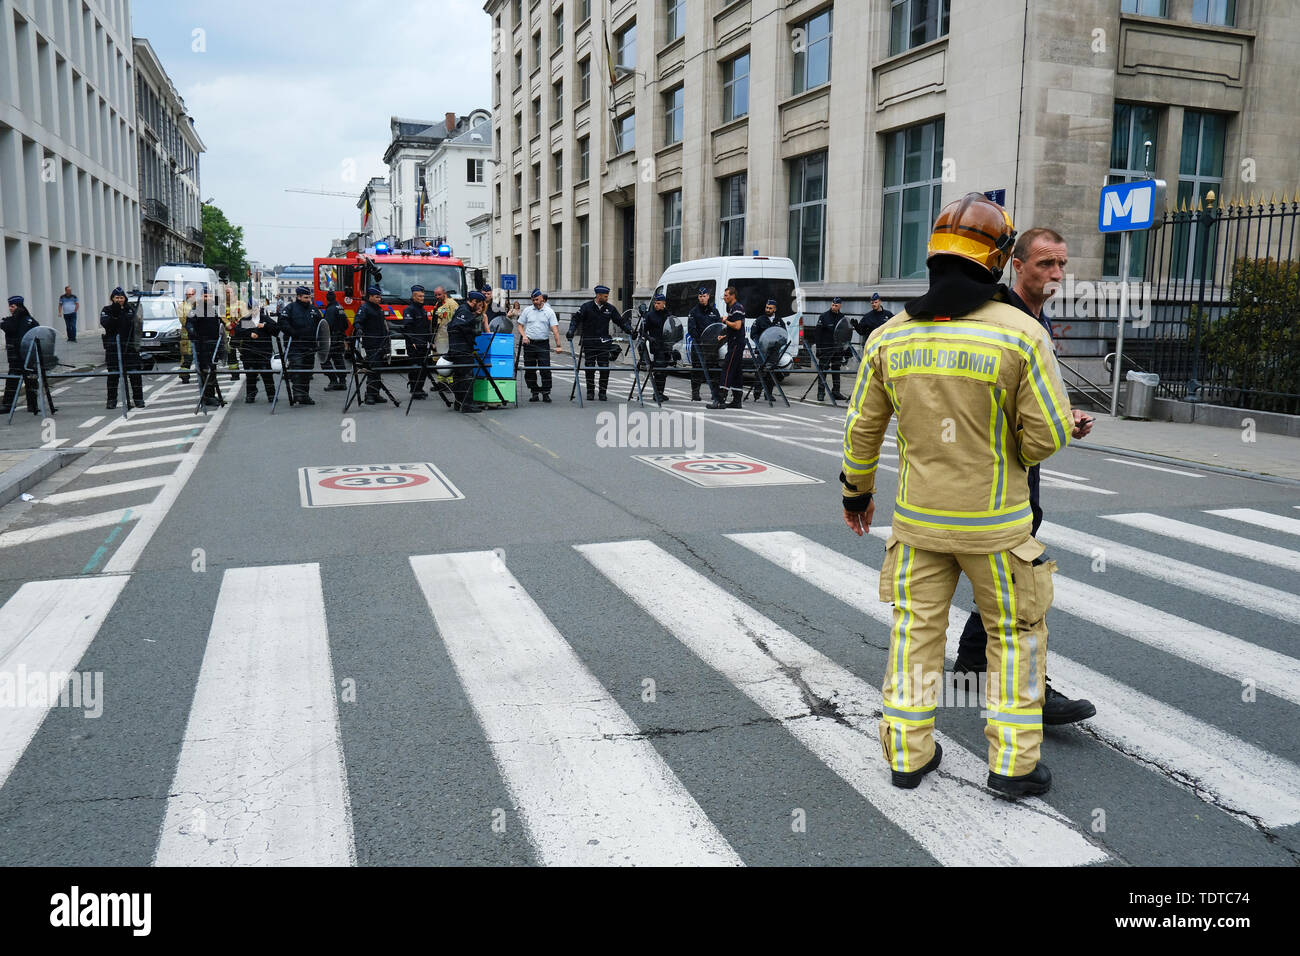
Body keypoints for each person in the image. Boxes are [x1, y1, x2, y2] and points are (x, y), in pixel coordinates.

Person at [840, 192, 1090, 798]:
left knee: (915, 636)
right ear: (1001, 260)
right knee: (1016, 641)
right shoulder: (1022, 334)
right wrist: (1015, 455)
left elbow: (861, 429)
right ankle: (1013, 766)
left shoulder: (890, 336)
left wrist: (857, 496)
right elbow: (1049, 432)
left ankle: (907, 755)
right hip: (999, 528)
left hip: (918, 525)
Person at [951, 226, 1097, 725]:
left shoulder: (1039, 320)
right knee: (1020, 577)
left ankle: (972, 661)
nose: (1056, 273)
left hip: (1021, 466)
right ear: (1017, 264)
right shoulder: (1004, 317)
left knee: (1011, 566)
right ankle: (1029, 693)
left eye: (1061, 264)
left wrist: (1064, 416)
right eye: (1044, 264)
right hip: (995, 470)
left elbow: (1033, 394)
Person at [567, 284, 631, 401]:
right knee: (590, 367)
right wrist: (571, 330)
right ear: (598, 295)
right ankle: (590, 392)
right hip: (589, 342)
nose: (607, 299)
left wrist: (629, 330)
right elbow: (576, 319)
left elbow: (620, 321)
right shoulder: (586, 307)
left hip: (604, 343)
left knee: (604, 367)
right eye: (605, 296)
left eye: (607, 296)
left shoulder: (610, 308)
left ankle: (602, 392)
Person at [100, 287, 145, 409]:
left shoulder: (130, 309)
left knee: (135, 374)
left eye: (121, 297)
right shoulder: (107, 310)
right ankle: (111, 400)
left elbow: (137, 326)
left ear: (125, 298)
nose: (119, 300)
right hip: (113, 348)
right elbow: (106, 324)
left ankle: (138, 399)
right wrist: (115, 314)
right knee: (113, 375)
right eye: (117, 297)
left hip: (130, 348)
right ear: (112, 298)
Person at [279, 286, 323, 405]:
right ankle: (297, 394)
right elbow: (282, 322)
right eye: (306, 297)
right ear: (298, 297)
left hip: (310, 346)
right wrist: (293, 332)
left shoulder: (314, 310)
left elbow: (322, 326)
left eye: (309, 297)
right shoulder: (290, 308)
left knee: (307, 372)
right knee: (297, 368)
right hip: (294, 345)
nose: (308, 299)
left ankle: (305, 396)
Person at [517, 288, 562, 402]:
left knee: (545, 369)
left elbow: (555, 329)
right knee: (530, 369)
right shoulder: (527, 310)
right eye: (533, 300)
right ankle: (534, 392)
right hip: (529, 343)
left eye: (537, 299)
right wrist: (524, 336)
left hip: (543, 344)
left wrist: (558, 345)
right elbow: (520, 325)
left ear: (542, 298)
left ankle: (546, 392)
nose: (535, 302)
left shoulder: (549, 312)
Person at [446, 290, 487, 412]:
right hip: (461, 349)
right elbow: (459, 326)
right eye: (479, 304)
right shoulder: (464, 310)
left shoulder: (466, 310)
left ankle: (459, 402)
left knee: (459, 377)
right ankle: (467, 404)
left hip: (459, 347)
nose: (480, 307)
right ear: (474, 302)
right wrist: (474, 331)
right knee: (467, 377)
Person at [233, 299, 279, 403]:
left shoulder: (265, 319)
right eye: (251, 309)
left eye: (256, 309)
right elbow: (238, 330)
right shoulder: (246, 320)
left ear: (259, 308)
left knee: (267, 375)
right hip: (249, 352)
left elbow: (276, 330)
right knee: (250, 375)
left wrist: (265, 326)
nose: (254, 311)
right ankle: (250, 394)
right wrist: (249, 334)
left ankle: (271, 395)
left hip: (264, 351)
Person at [2, 295, 41, 414]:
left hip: (26, 357)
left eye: (13, 306)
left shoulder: (27, 320)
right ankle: (9, 405)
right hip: (17, 358)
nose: (11, 309)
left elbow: (36, 330)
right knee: (13, 382)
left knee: (31, 380)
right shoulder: (13, 320)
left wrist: (18, 315)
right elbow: (5, 326)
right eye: (10, 306)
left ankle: (32, 405)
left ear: (19, 306)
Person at [709, 286, 745, 409]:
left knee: (727, 368)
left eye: (726, 295)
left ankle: (720, 399)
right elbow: (732, 328)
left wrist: (725, 321)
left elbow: (737, 326)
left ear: (733, 296)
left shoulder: (737, 308)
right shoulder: (732, 308)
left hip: (736, 343)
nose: (724, 298)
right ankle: (737, 400)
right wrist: (723, 336)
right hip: (734, 342)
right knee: (736, 371)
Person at [687, 286, 722, 403]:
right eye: (700, 296)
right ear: (698, 297)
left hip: (712, 346)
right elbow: (692, 330)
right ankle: (695, 393)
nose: (702, 298)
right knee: (697, 370)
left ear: (708, 297)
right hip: (698, 346)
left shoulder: (714, 311)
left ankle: (715, 393)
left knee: (714, 369)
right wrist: (701, 340)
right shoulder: (693, 312)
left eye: (704, 296)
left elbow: (718, 327)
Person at [189, 288, 223, 407]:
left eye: (209, 296)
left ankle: (212, 394)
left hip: (214, 344)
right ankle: (208, 396)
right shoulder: (197, 309)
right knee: (206, 371)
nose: (207, 298)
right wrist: (193, 333)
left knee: (212, 371)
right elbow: (189, 323)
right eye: (205, 296)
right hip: (203, 345)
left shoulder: (213, 310)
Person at [641, 291, 675, 403]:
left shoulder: (668, 315)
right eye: (655, 303)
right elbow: (643, 331)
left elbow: (673, 329)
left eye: (658, 303)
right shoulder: (650, 315)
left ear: (663, 303)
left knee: (664, 371)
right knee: (659, 370)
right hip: (656, 346)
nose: (656, 305)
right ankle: (656, 393)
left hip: (666, 346)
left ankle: (660, 392)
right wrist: (650, 338)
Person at [401, 285, 435, 399]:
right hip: (414, 344)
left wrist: (430, 341)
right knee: (415, 368)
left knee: (424, 367)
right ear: (414, 296)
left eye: (423, 296)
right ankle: (414, 390)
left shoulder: (422, 310)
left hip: (424, 343)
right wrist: (412, 342)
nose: (422, 298)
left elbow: (426, 328)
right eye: (420, 296)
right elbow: (407, 328)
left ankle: (419, 388)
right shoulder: (409, 310)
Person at [814, 297, 849, 402]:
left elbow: (845, 334)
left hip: (837, 349)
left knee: (836, 370)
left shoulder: (842, 317)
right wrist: (818, 348)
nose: (834, 307)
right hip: (826, 348)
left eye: (836, 305)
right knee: (823, 371)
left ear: (840, 306)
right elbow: (817, 333)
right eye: (833, 305)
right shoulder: (824, 316)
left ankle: (836, 392)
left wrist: (846, 350)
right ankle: (821, 393)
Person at [750, 298, 786, 400]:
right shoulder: (760, 320)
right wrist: (759, 343)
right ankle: (757, 392)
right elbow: (753, 334)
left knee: (771, 372)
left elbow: (783, 335)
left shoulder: (779, 321)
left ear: (775, 309)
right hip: (762, 350)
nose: (768, 309)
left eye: (770, 308)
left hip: (773, 351)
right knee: (760, 371)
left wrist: (778, 344)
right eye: (766, 307)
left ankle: (768, 394)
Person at [321, 291, 349, 390]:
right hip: (340, 338)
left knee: (324, 360)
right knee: (339, 360)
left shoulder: (330, 309)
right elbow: (346, 324)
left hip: (331, 338)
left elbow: (327, 325)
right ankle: (342, 382)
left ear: (327, 299)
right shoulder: (340, 307)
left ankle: (333, 381)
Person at [176, 287, 197, 383]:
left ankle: (202, 374)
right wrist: (191, 327)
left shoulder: (199, 305)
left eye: (191, 294)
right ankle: (184, 376)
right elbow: (183, 320)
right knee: (186, 356)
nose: (189, 296)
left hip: (198, 334)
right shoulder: (182, 306)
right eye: (188, 294)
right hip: (186, 336)